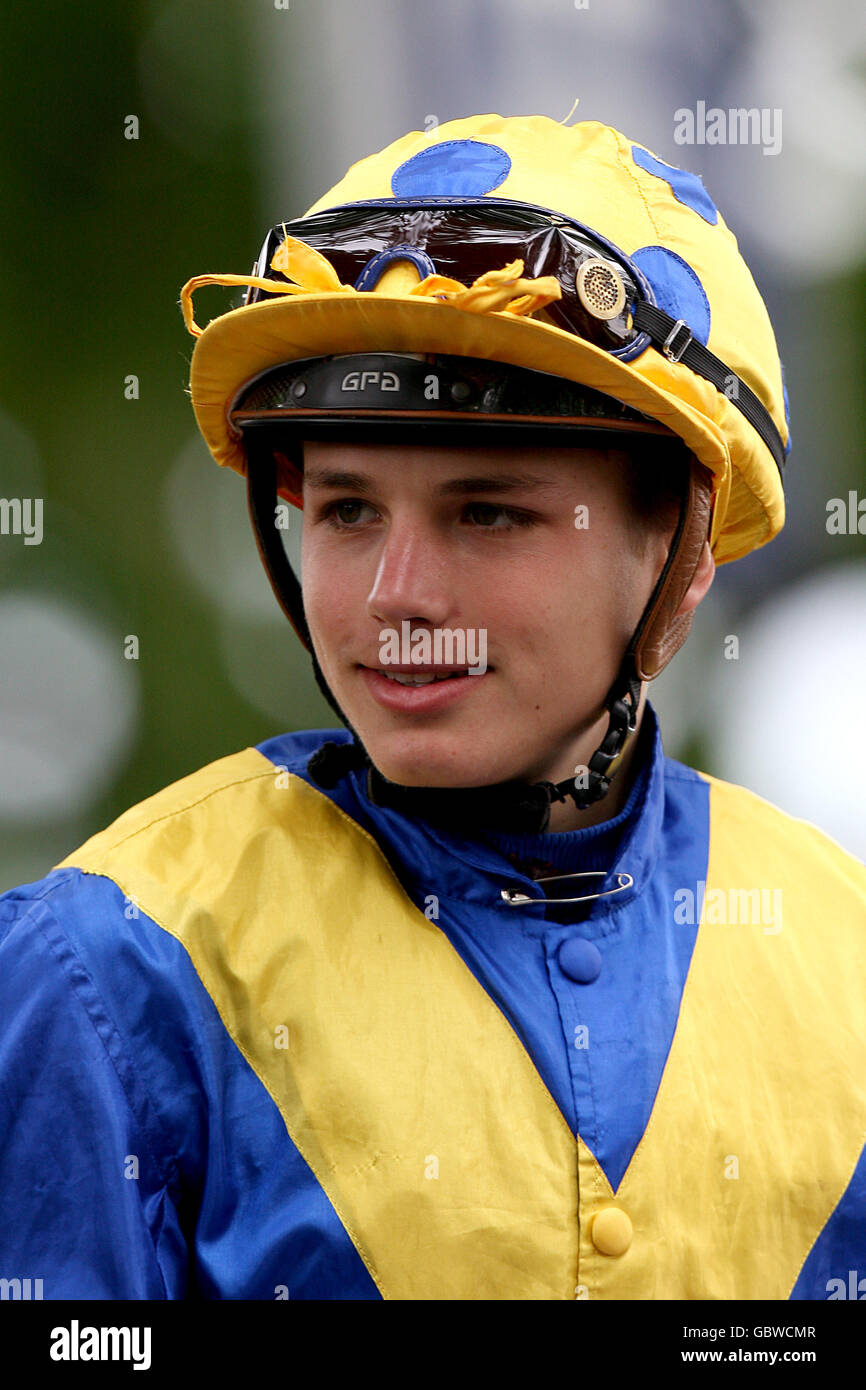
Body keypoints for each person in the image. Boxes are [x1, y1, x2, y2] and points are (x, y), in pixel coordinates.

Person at [0, 112, 863, 1302]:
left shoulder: (847, 956)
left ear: (679, 541)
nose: (396, 597)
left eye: (485, 512)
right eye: (348, 511)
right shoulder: (105, 963)